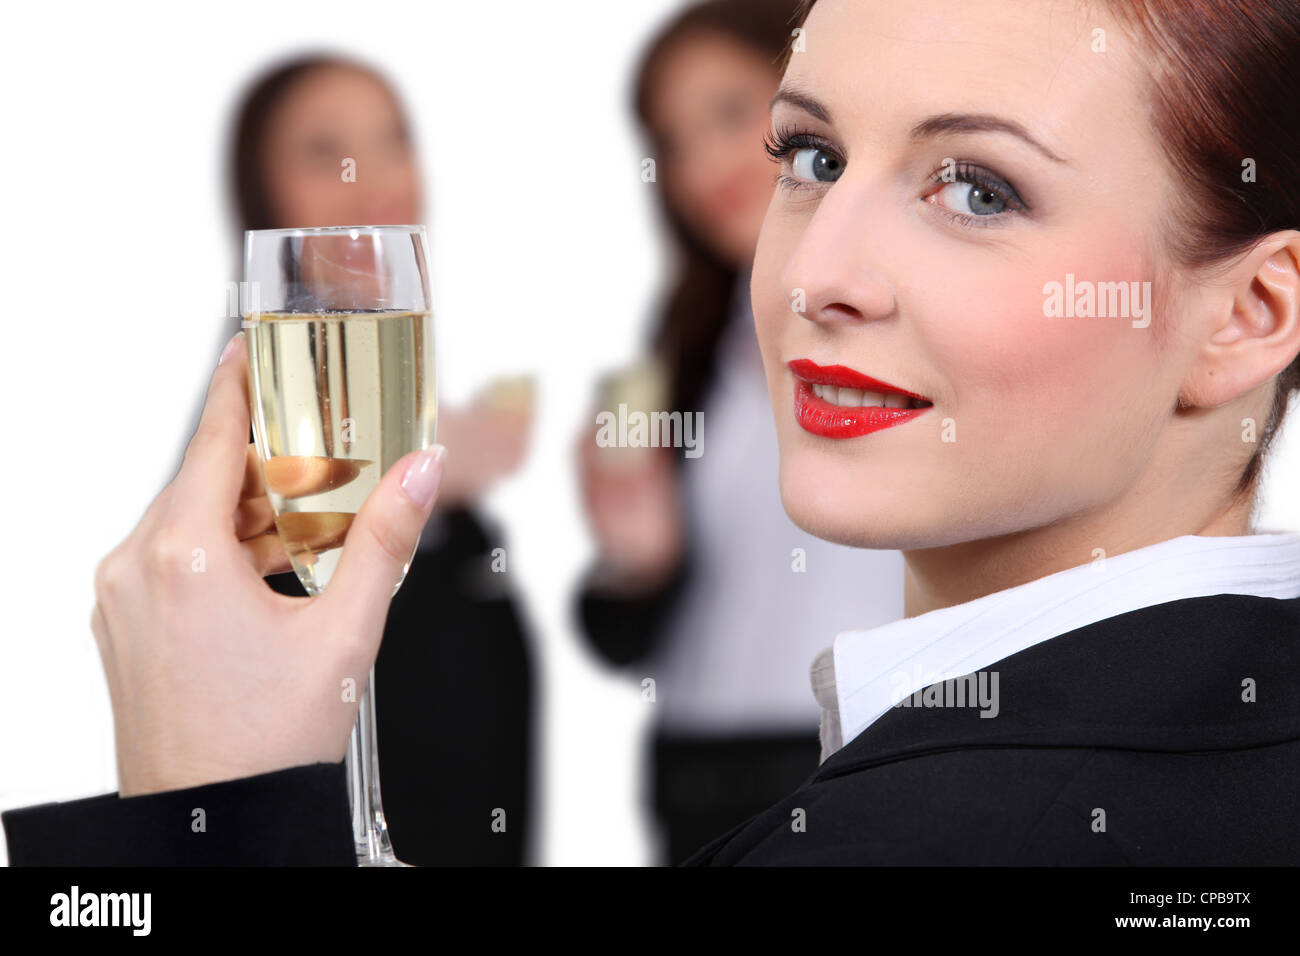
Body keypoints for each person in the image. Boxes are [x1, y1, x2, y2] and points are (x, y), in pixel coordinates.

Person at [6, 0, 1300, 866]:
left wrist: (208, 821)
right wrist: (633, 557)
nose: (814, 273)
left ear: (1248, 312)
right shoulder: (661, 356)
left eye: (977, 187)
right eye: (813, 157)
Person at [573, 0, 904, 865]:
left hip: (853, 765)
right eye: (671, 140)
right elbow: (630, 638)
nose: (701, 164)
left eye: (729, 116)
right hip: (692, 780)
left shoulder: (901, 306)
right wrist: (633, 559)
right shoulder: (680, 347)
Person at [228, 55, 537, 865]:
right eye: (325, 152)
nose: (374, 180)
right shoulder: (247, 425)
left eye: (390, 141)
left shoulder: (404, 399)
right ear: (261, 194)